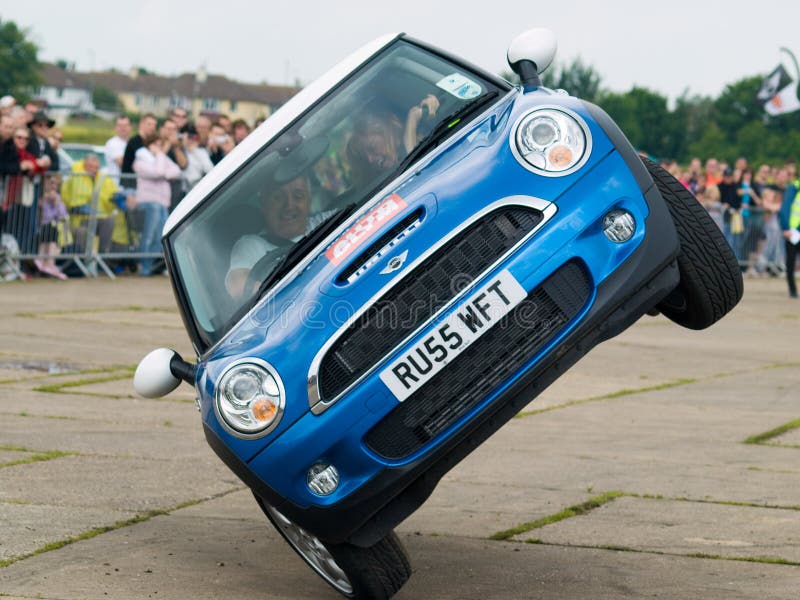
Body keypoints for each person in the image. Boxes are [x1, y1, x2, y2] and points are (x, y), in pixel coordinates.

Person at [225, 175, 318, 298]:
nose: (289, 205)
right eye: (278, 197)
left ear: (309, 202)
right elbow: (237, 285)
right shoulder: (251, 245)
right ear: (263, 204)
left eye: (298, 196)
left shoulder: (330, 221)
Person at [346, 94, 439, 187]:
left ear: (389, 131)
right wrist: (412, 121)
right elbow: (416, 172)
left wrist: (431, 104)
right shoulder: (382, 185)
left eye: (372, 147)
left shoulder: (430, 136)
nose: (370, 159)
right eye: (364, 157)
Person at [131, 133, 181, 275]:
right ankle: (143, 265)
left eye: (160, 145)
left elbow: (176, 170)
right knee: (148, 235)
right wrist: (160, 157)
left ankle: (148, 266)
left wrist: (162, 166)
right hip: (149, 203)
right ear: (149, 146)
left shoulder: (160, 158)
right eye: (156, 145)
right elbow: (158, 172)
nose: (159, 148)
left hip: (162, 203)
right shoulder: (140, 161)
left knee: (160, 237)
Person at [60, 153, 121, 254]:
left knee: (109, 221)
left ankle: (103, 256)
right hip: (80, 219)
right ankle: (84, 258)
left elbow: (113, 193)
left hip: (98, 218)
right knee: (82, 231)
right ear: (84, 165)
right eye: (90, 166)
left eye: (96, 167)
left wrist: (118, 198)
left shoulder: (103, 179)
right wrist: (77, 208)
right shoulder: (75, 178)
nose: (93, 169)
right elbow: (65, 199)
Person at [35, 174, 68, 279]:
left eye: (56, 184)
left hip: (53, 227)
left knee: (56, 231)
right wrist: (45, 201)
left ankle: (50, 263)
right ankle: (45, 262)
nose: (53, 186)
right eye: (51, 183)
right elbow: (45, 217)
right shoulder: (40, 197)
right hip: (42, 226)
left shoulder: (57, 197)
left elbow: (62, 215)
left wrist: (56, 203)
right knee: (50, 229)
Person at [777, 168, 800, 298]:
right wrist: (785, 228)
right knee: (790, 262)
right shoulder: (793, 188)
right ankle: (792, 290)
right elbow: (785, 209)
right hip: (792, 233)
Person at [121, 113, 158, 189]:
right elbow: (151, 161)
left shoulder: (148, 143)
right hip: (130, 186)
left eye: (154, 125)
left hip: (139, 186)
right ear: (141, 124)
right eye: (149, 124)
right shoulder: (135, 141)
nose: (152, 128)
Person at [180, 124, 214, 191]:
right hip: (184, 190)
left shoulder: (201, 152)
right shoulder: (178, 151)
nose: (192, 139)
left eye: (195, 137)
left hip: (200, 187)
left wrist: (195, 151)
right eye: (189, 137)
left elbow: (209, 169)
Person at [104, 115, 132, 183]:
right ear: (115, 127)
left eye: (125, 125)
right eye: (120, 125)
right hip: (116, 187)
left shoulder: (132, 142)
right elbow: (122, 162)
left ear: (131, 127)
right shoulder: (112, 143)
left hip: (131, 186)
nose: (123, 128)